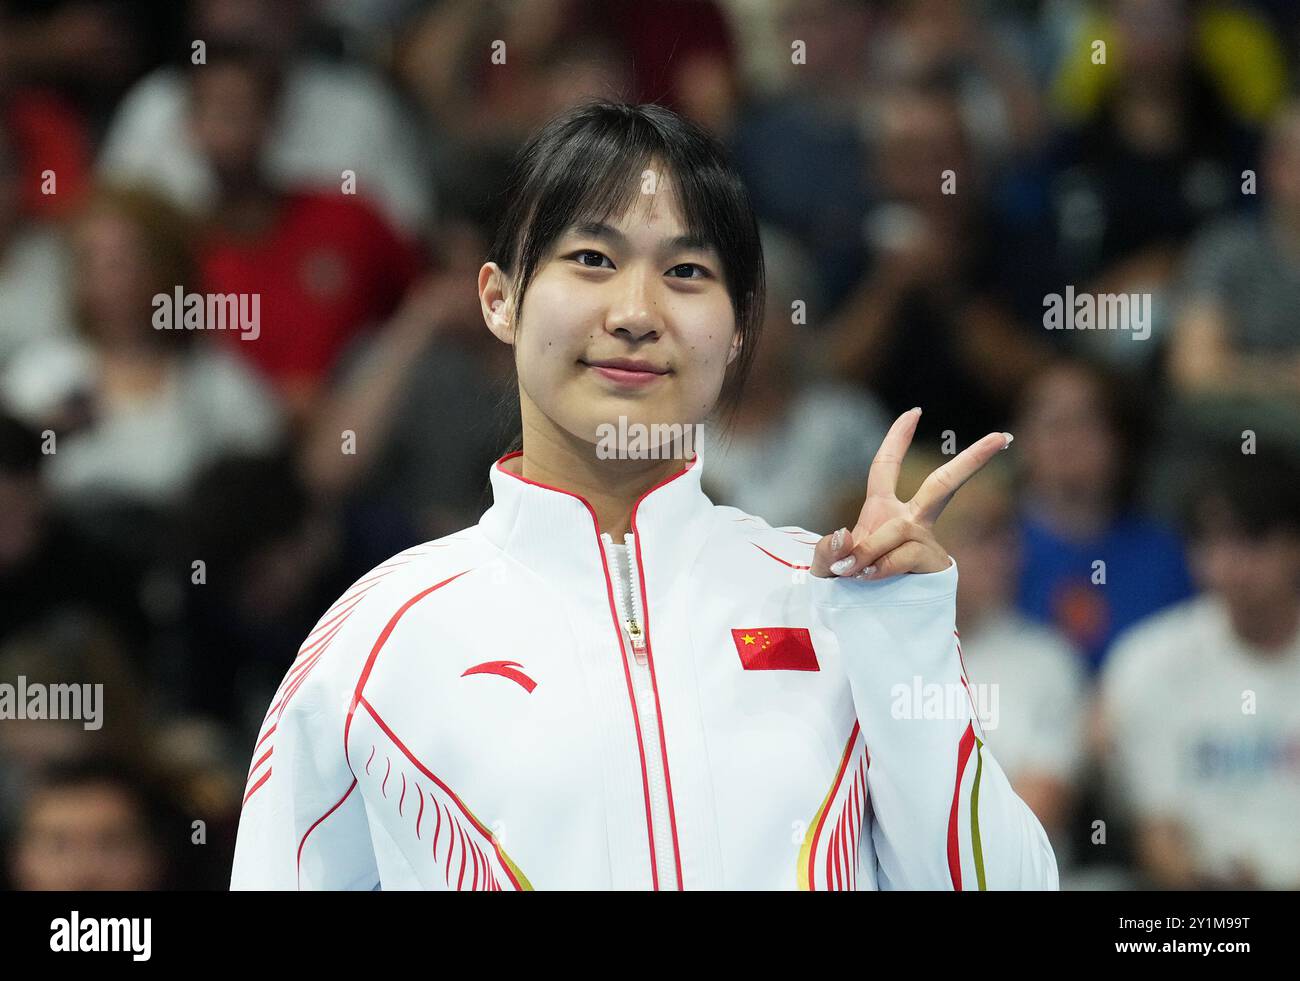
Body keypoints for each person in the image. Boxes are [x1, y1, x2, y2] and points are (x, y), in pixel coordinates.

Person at [230, 101, 1057, 891]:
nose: (635, 312)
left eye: (688, 271)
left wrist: (904, 629)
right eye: (592, 259)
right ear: (499, 298)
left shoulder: (838, 601)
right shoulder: (375, 641)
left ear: (737, 334)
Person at [1099, 447, 1300, 889]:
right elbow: (1158, 832)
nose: (1229, 566)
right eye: (1210, 543)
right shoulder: (1148, 660)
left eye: (1252, 540)